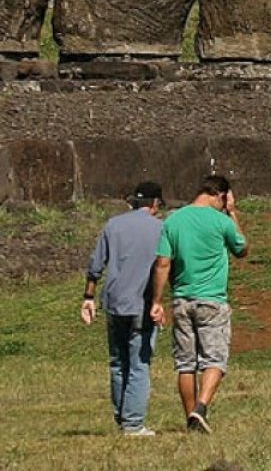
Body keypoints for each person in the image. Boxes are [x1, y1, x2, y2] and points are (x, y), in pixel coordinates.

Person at [149, 173, 247, 434]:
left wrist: (157, 301)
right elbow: (242, 249)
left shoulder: (173, 220)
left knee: (186, 364)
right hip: (212, 301)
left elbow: (163, 264)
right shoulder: (221, 220)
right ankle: (200, 408)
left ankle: (191, 419)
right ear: (221, 196)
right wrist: (232, 213)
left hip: (182, 300)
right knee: (215, 360)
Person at [81, 180, 164, 437]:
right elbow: (165, 266)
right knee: (139, 363)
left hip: (114, 301)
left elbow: (96, 264)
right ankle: (133, 423)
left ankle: (121, 417)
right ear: (155, 203)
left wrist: (88, 297)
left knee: (118, 362)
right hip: (142, 302)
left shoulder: (113, 225)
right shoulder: (161, 228)